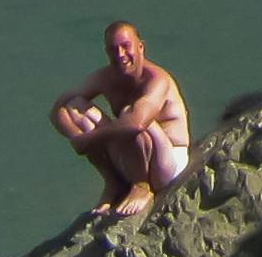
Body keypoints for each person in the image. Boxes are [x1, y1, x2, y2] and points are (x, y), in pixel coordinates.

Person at [50, 21, 191, 222]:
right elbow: (59, 107)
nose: (120, 54)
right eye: (113, 49)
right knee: (76, 107)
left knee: (130, 113)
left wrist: (90, 139)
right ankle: (113, 181)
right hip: (136, 156)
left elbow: (137, 124)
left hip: (167, 162)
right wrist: (77, 137)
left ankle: (142, 186)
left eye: (126, 46)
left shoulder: (157, 80)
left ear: (140, 46)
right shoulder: (104, 77)